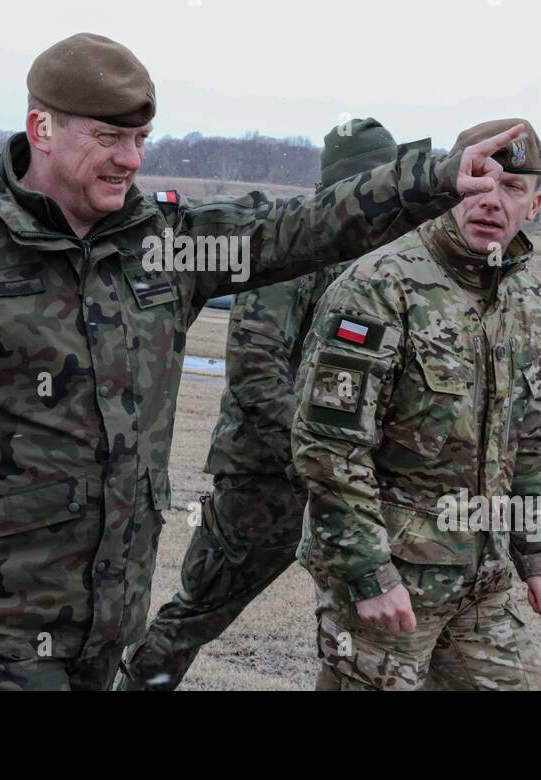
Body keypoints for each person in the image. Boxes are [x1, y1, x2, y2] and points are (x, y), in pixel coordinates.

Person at [0, 31, 524, 690]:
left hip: (110, 629)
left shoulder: (165, 247)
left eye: (141, 139)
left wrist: (430, 180)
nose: (131, 158)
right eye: (109, 137)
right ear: (42, 130)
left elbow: (301, 229)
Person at [115, 118, 399, 690]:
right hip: (265, 477)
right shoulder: (292, 251)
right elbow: (255, 373)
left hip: (350, 481)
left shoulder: (385, 261)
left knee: (371, 626)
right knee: (199, 612)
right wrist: (317, 455)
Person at [292, 118, 541, 691]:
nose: (492, 200)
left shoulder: (528, 302)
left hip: (480, 586)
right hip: (393, 580)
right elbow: (330, 448)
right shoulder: (380, 285)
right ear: (452, 184)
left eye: (512, 188)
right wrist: (369, 575)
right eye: (480, 181)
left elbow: (531, 447)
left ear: (533, 204)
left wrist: (536, 552)